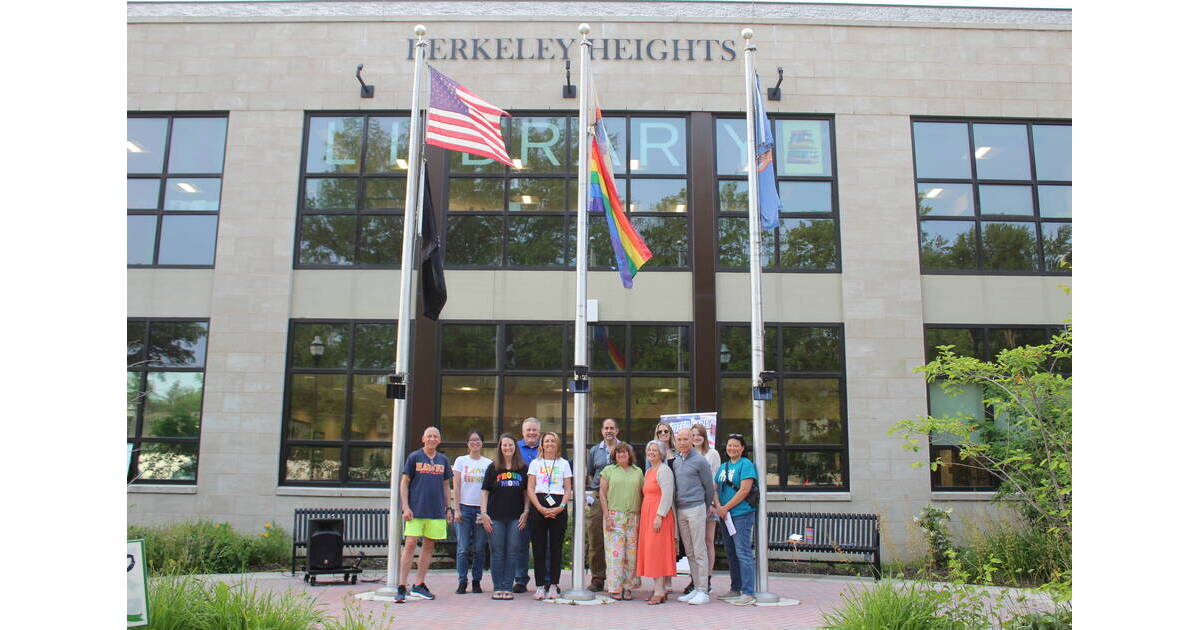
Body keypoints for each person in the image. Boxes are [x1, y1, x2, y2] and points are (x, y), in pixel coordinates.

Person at [395, 427, 453, 603]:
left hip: (436, 511)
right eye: (429, 436)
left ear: (439, 440)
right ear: (423, 438)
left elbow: (445, 485)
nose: (432, 439)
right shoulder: (414, 457)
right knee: (410, 544)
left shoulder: (443, 460)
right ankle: (401, 586)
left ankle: (419, 584)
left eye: (436, 436)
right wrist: (405, 506)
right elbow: (404, 483)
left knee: (429, 545)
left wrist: (448, 508)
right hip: (416, 510)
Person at [480, 433, 529, 600]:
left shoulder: (523, 468)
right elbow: (485, 492)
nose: (507, 448)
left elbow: (526, 493)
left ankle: (508, 587)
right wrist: (484, 513)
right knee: (497, 552)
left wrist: (526, 511)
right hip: (495, 517)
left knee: (513, 551)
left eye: (510, 445)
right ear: (500, 448)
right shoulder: (493, 467)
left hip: (516, 517)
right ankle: (498, 587)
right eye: (504, 445)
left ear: (515, 447)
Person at [670, 426, 715, 605]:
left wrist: (704, 507)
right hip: (681, 509)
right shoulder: (677, 461)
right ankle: (696, 588)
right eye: (679, 439)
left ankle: (704, 590)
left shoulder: (700, 461)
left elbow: (709, 487)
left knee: (699, 550)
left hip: (696, 508)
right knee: (689, 551)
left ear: (692, 440)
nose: (682, 442)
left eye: (685, 439)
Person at [525, 431, 572, 600]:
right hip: (539, 503)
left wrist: (561, 507)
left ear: (557, 444)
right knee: (539, 547)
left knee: (555, 548)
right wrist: (538, 507)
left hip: (558, 505)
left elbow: (567, 488)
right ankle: (539, 586)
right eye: (547, 441)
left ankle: (553, 584)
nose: (550, 444)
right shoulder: (535, 464)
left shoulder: (564, 463)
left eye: (553, 441)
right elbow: (530, 488)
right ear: (542, 444)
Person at [713, 434, 759, 606]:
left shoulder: (746, 465)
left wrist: (726, 508)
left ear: (742, 448)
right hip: (726, 516)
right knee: (731, 553)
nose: (732, 448)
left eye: (736, 446)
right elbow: (715, 488)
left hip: (741, 514)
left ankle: (748, 592)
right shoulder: (723, 466)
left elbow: (744, 490)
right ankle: (735, 588)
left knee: (743, 552)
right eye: (730, 445)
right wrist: (719, 506)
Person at [599, 441, 643, 600]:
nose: (621, 455)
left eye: (624, 452)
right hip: (614, 516)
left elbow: (643, 494)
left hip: (633, 516)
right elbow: (602, 494)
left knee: (631, 555)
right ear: (614, 455)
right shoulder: (608, 471)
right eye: (618, 453)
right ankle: (615, 587)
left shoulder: (638, 472)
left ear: (629, 454)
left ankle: (628, 587)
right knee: (615, 554)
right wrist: (607, 515)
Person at [452, 429, 492, 594]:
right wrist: (457, 509)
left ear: (482, 443)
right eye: (472, 440)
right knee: (463, 548)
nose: (475, 443)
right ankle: (462, 581)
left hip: (480, 509)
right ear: (467, 443)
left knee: (479, 547)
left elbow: (489, 490)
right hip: (464, 507)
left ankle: (476, 581)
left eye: (478, 440)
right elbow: (456, 485)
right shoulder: (461, 461)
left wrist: (486, 512)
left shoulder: (488, 463)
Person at [636, 441, 676, 605]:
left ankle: (660, 591)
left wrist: (659, 515)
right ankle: (659, 589)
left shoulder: (664, 470)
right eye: (649, 450)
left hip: (659, 515)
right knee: (650, 551)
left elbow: (667, 495)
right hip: (648, 514)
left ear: (661, 453)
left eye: (655, 450)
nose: (651, 452)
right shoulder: (649, 471)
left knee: (657, 552)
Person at [585, 417, 622, 592]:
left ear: (617, 431)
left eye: (612, 428)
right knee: (596, 539)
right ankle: (598, 578)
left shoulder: (624, 449)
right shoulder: (594, 451)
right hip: (598, 499)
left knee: (619, 540)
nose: (609, 431)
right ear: (602, 431)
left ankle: (619, 578)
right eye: (606, 428)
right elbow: (591, 473)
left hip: (618, 499)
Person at [512, 417, 541, 593]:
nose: (531, 433)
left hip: (541, 501)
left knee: (542, 543)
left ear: (539, 432)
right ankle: (521, 580)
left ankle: (545, 579)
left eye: (534, 430)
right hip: (518, 501)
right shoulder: (515, 448)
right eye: (528, 430)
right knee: (520, 543)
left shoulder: (546, 448)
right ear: (523, 432)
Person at [691, 422, 721, 596]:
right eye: (693, 435)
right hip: (692, 504)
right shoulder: (688, 454)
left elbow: (714, 480)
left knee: (708, 541)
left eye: (699, 434)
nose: (696, 438)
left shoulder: (712, 454)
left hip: (708, 504)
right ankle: (696, 579)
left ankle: (707, 578)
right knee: (696, 543)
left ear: (705, 436)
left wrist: (711, 502)